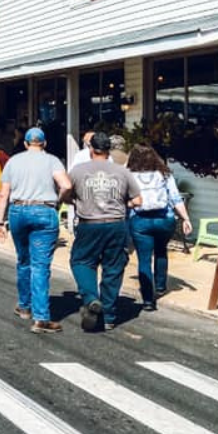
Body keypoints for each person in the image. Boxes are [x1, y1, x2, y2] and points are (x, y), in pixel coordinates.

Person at [0, 127, 71, 334]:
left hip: (18, 210)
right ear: (44, 143)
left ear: (26, 144)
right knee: (40, 265)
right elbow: (66, 185)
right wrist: (57, 200)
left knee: (23, 260)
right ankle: (41, 317)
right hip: (43, 209)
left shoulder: (13, 161)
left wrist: (0, 223)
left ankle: (24, 306)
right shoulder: (52, 160)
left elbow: (3, 194)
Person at [66, 132, 141, 332]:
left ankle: (91, 298)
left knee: (81, 261)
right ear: (109, 150)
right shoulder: (122, 172)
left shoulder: (78, 171)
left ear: (91, 149)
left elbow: (66, 190)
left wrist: (70, 199)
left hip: (89, 223)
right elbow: (138, 200)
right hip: (116, 224)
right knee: (113, 267)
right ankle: (108, 315)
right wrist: (123, 202)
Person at [126, 144, 193, 310]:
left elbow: (124, 199)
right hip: (165, 219)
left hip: (140, 220)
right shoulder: (164, 174)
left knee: (144, 259)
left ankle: (148, 300)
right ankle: (161, 285)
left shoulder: (128, 175)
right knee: (161, 250)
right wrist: (186, 218)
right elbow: (176, 198)